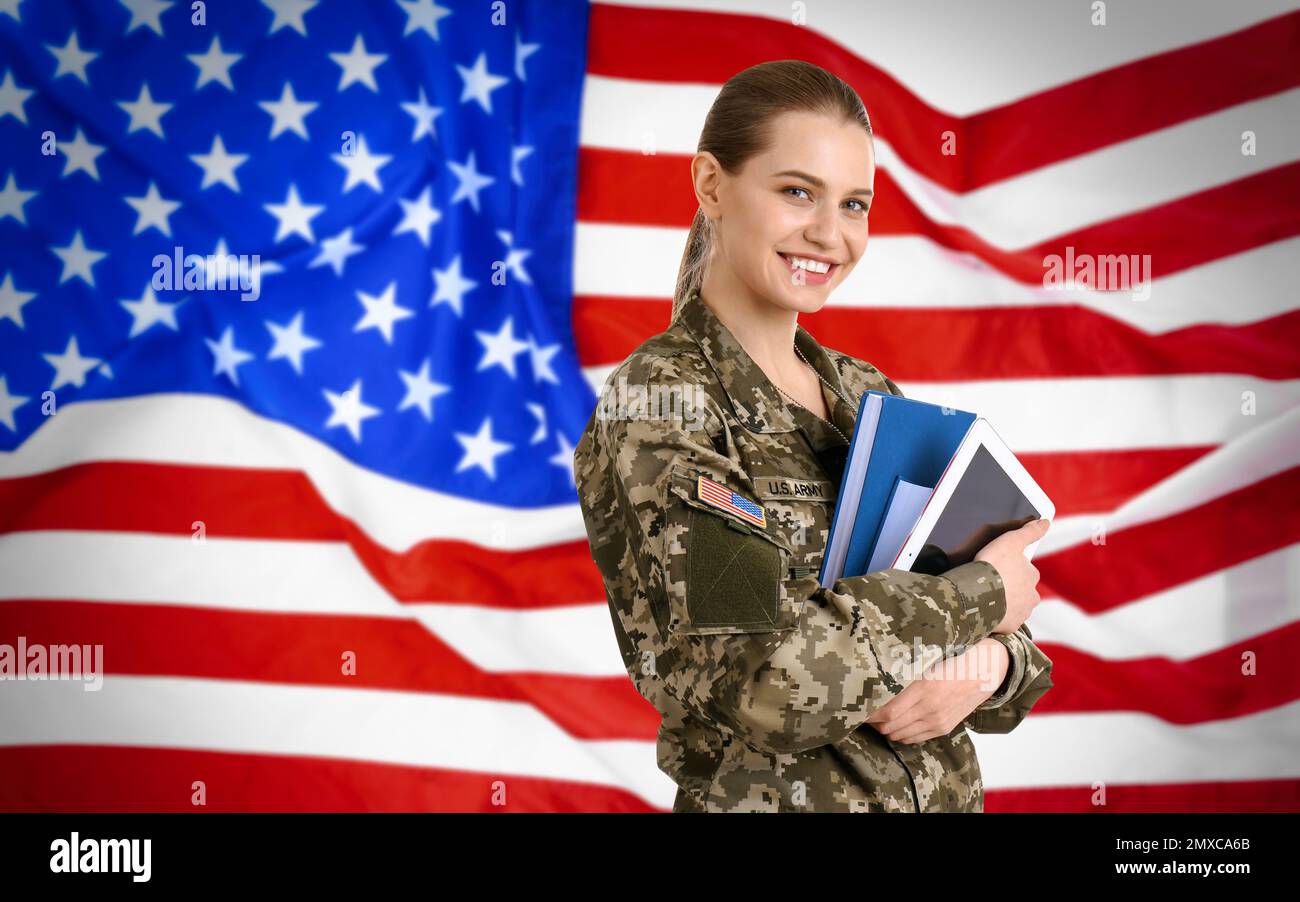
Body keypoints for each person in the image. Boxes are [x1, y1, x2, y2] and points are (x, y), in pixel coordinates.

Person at [573, 60, 1054, 813]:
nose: (830, 234)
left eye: (854, 203)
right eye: (797, 191)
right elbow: (768, 683)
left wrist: (991, 661)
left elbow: (1017, 674)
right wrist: (982, 598)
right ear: (711, 187)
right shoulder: (666, 404)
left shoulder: (869, 396)